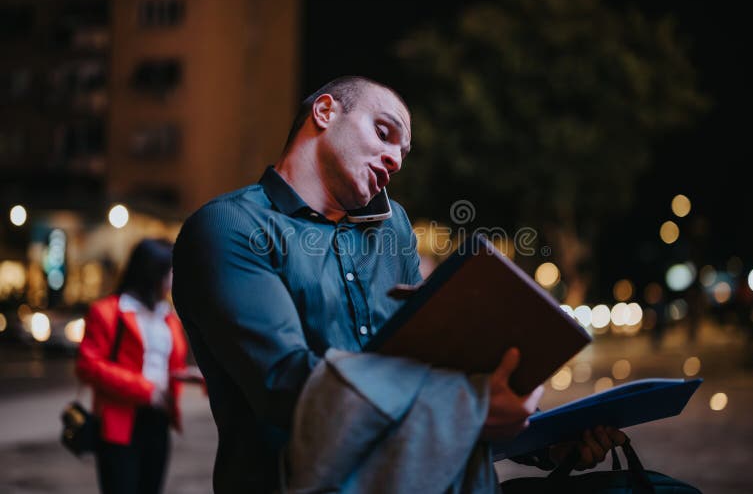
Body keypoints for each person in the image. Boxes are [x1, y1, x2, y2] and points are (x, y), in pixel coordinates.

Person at [172, 76, 624, 493]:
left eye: (402, 155)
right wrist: (471, 407)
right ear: (325, 112)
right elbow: (286, 385)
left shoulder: (393, 230)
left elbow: (435, 362)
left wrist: (546, 440)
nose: (394, 159)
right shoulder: (227, 226)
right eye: (384, 133)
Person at [76, 238, 188, 494]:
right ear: (152, 272)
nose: (173, 279)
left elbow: (167, 364)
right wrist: (145, 390)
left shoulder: (167, 316)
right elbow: (88, 366)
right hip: (119, 422)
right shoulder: (107, 312)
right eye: (170, 271)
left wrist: (185, 376)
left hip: (159, 419)